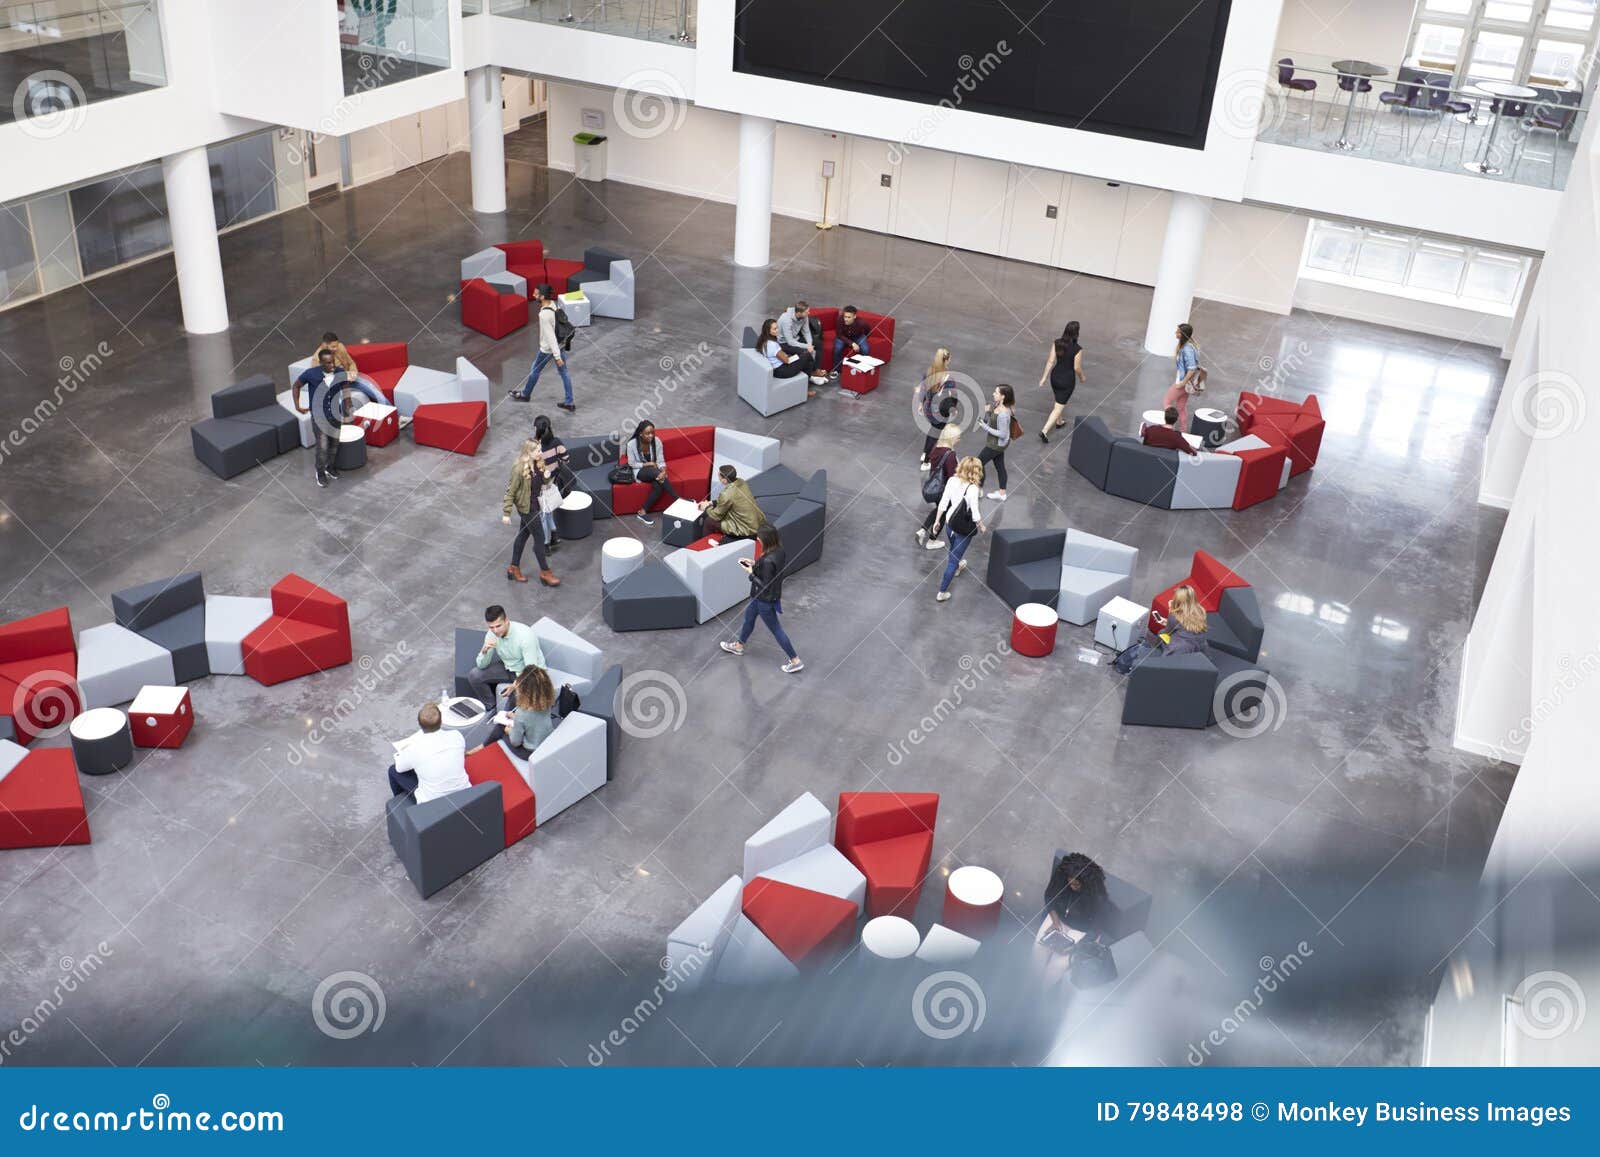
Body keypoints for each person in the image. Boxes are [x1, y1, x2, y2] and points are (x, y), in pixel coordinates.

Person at [720, 524, 803, 673]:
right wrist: (755, 564)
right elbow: (770, 571)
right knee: (748, 619)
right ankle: (739, 646)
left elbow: (765, 585)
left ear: (766, 539)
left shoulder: (768, 560)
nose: (758, 539)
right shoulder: (779, 551)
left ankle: (795, 660)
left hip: (763, 600)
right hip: (763, 598)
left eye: (759, 537)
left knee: (776, 629)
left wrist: (751, 573)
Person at [1033, 852, 1112, 985]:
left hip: (1083, 930)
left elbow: (1097, 928)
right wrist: (1055, 921)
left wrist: (1076, 947)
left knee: (1057, 965)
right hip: (1058, 918)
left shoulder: (1097, 895)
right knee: (1038, 949)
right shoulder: (1062, 876)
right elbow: (1049, 896)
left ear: (1086, 883)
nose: (1072, 886)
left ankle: (1043, 992)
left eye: (1076, 884)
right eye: (1070, 882)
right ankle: (1032, 985)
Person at [502, 439, 560, 586]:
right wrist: (506, 513)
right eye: (538, 450)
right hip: (526, 508)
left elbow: (543, 483)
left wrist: (546, 476)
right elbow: (510, 491)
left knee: (523, 535)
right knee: (540, 539)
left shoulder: (538, 463)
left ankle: (513, 568)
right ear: (529, 451)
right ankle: (545, 572)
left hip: (535, 505)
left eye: (540, 449)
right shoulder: (518, 468)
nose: (541, 453)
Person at [1113, 584, 1209, 674]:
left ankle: (1155, 655)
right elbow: (1186, 625)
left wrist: (1171, 611)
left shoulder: (1174, 615)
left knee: (1160, 633)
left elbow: (1167, 632)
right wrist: (1167, 621)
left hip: (1179, 648)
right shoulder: (1200, 611)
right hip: (1197, 645)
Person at [466, 665, 558, 758]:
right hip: (546, 743)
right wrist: (514, 717)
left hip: (528, 752)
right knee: (508, 726)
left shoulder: (521, 713)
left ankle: (482, 746)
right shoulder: (547, 702)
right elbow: (533, 720)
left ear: (523, 691)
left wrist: (509, 731)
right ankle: (482, 746)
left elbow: (515, 742)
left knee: (501, 728)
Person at [387, 702, 471, 803]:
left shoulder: (415, 748)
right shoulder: (456, 735)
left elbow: (399, 768)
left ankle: (401, 803)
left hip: (432, 801)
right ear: (441, 721)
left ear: (420, 725)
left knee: (393, 770)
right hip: (464, 791)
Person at [509, 285, 575, 411]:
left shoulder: (544, 315)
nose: (533, 295)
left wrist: (557, 357)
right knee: (564, 373)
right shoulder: (553, 305)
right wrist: (558, 352)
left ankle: (525, 395)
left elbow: (550, 337)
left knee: (535, 370)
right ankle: (569, 402)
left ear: (542, 297)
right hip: (560, 345)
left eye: (536, 294)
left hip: (547, 350)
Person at [930, 456, 986, 602]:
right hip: (963, 528)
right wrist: (981, 526)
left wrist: (937, 521)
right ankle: (942, 592)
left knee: (953, 549)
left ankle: (958, 565)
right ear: (976, 471)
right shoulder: (973, 489)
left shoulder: (952, 480)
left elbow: (943, 502)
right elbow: (975, 513)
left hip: (950, 523)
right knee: (952, 562)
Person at [469, 605, 547, 707]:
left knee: (511, 703)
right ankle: (491, 706)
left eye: (498, 626)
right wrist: (484, 652)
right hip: (509, 667)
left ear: (506, 621)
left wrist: (515, 685)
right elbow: (481, 665)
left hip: (530, 673)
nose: (495, 631)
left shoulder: (525, 636)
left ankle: (504, 714)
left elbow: (531, 670)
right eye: (491, 627)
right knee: (475, 675)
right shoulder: (491, 634)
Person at [292, 347, 347, 488]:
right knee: (322, 447)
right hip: (319, 418)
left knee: (334, 444)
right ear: (321, 363)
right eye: (328, 363)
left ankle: (330, 467)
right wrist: (297, 405)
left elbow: (345, 387)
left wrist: (348, 405)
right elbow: (296, 386)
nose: (332, 365)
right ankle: (320, 473)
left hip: (335, 416)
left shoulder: (340, 373)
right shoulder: (311, 374)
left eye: (333, 362)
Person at [916, 424, 961, 550]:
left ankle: (923, 530)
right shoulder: (950, 455)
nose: (959, 440)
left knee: (938, 511)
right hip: (944, 489)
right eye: (958, 437)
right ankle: (932, 540)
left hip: (935, 487)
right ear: (951, 437)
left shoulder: (936, 449)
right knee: (943, 513)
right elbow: (952, 476)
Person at [1037, 322, 1085, 443]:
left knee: (1058, 400)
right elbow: (1076, 368)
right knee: (1058, 407)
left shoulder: (1057, 343)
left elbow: (1050, 362)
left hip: (1055, 376)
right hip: (1067, 380)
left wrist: (1043, 378)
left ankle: (1059, 422)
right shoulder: (1077, 349)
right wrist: (1082, 377)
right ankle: (1044, 431)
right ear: (1076, 333)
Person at [627, 420, 680, 526]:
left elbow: (660, 461)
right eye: (647, 433)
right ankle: (677, 499)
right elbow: (632, 464)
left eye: (652, 433)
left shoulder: (657, 441)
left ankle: (642, 512)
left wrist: (663, 472)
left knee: (658, 486)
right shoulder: (631, 444)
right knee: (655, 472)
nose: (651, 435)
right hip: (639, 471)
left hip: (655, 471)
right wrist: (648, 464)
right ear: (641, 434)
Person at [918, 348, 960, 469]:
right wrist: (953, 408)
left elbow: (922, 389)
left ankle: (924, 453)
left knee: (932, 430)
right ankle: (926, 462)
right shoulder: (948, 378)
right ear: (946, 360)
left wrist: (921, 404)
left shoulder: (929, 372)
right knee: (935, 435)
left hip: (928, 408)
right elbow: (953, 396)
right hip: (940, 412)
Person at [699, 464, 765, 540]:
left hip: (746, 529)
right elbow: (729, 500)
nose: (718, 477)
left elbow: (716, 516)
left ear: (724, 480)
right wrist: (711, 503)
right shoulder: (741, 482)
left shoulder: (727, 494)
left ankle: (705, 544)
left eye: (719, 475)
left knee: (709, 521)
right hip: (756, 522)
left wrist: (706, 507)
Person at [777, 299, 829, 390]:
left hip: (795, 338)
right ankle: (807, 382)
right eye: (806, 312)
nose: (809, 313)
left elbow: (807, 332)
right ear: (799, 313)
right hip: (784, 343)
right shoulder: (786, 320)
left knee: (818, 343)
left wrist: (810, 344)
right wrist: (807, 347)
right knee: (805, 353)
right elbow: (790, 341)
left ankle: (816, 370)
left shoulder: (804, 317)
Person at [976, 384, 1015, 500]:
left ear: (1003, 396)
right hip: (998, 444)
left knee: (978, 463)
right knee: (1000, 466)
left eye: (996, 392)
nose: (993, 394)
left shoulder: (1003, 413)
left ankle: (979, 489)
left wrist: (985, 427)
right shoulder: (998, 406)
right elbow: (994, 422)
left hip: (995, 444)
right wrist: (989, 412)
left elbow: (1002, 433)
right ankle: (1002, 493)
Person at [1164, 322, 1202, 432]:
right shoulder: (1188, 345)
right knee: (1181, 407)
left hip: (1183, 382)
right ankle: (1183, 431)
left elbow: (1192, 369)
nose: (1175, 333)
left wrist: (1182, 383)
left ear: (1183, 335)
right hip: (1187, 384)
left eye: (1178, 332)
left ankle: (1168, 428)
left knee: (1167, 401)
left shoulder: (1187, 349)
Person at [754, 317, 814, 385]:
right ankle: (808, 383)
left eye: (777, 327)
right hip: (782, 371)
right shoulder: (772, 345)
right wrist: (785, 355)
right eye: (775, 329)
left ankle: (810, 376)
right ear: (768, 331)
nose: (777, 330)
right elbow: (786, 360)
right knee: (807, 354)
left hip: (777, 369)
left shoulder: (763, 341)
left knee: (803, 357)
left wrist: (784, 354)